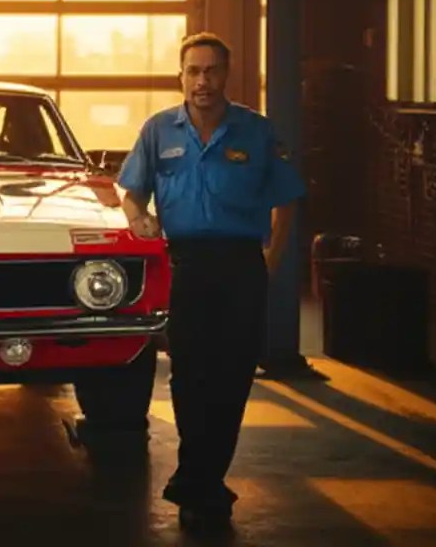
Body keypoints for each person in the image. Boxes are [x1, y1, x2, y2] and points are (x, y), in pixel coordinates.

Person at [116, 31, 304, 532]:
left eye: (212, 71)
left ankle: (201, 476)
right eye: (193, 71)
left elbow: (287, 201)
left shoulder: (257, 132)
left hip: (242, 264)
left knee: (233, 375)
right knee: (191, 375)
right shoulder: (159, 130)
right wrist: (139, 219)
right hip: (185, 265)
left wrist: (272, 259)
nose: (202, 81)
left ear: (227, 74)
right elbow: (130, 192)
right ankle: (200, 479)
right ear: (181, 76)